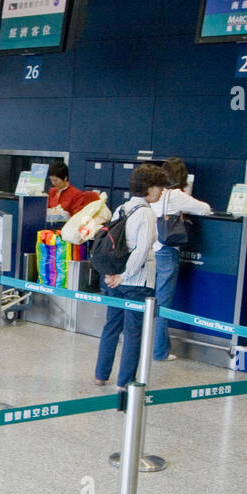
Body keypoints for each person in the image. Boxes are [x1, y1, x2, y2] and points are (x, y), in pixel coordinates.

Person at [93, 163, 165, 388]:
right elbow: (142, 251)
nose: (161, 191)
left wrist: (112, 274)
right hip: (136, 281)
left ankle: (100, 375)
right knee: (134, 332)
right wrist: (124, 276)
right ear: (149, 188)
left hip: (114, 279)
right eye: (159, 187)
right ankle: (124, 382)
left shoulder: (122, 208)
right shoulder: (147, 214)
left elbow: (112, 245)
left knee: (111, 325)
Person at [148, 159, 211, 361]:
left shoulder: (152, 193)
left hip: (149, 252)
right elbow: (205, 208)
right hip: (166, 253)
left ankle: (151, 346)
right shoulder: (175, 195)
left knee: (149, 301)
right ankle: (159, 351)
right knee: (162, 304)